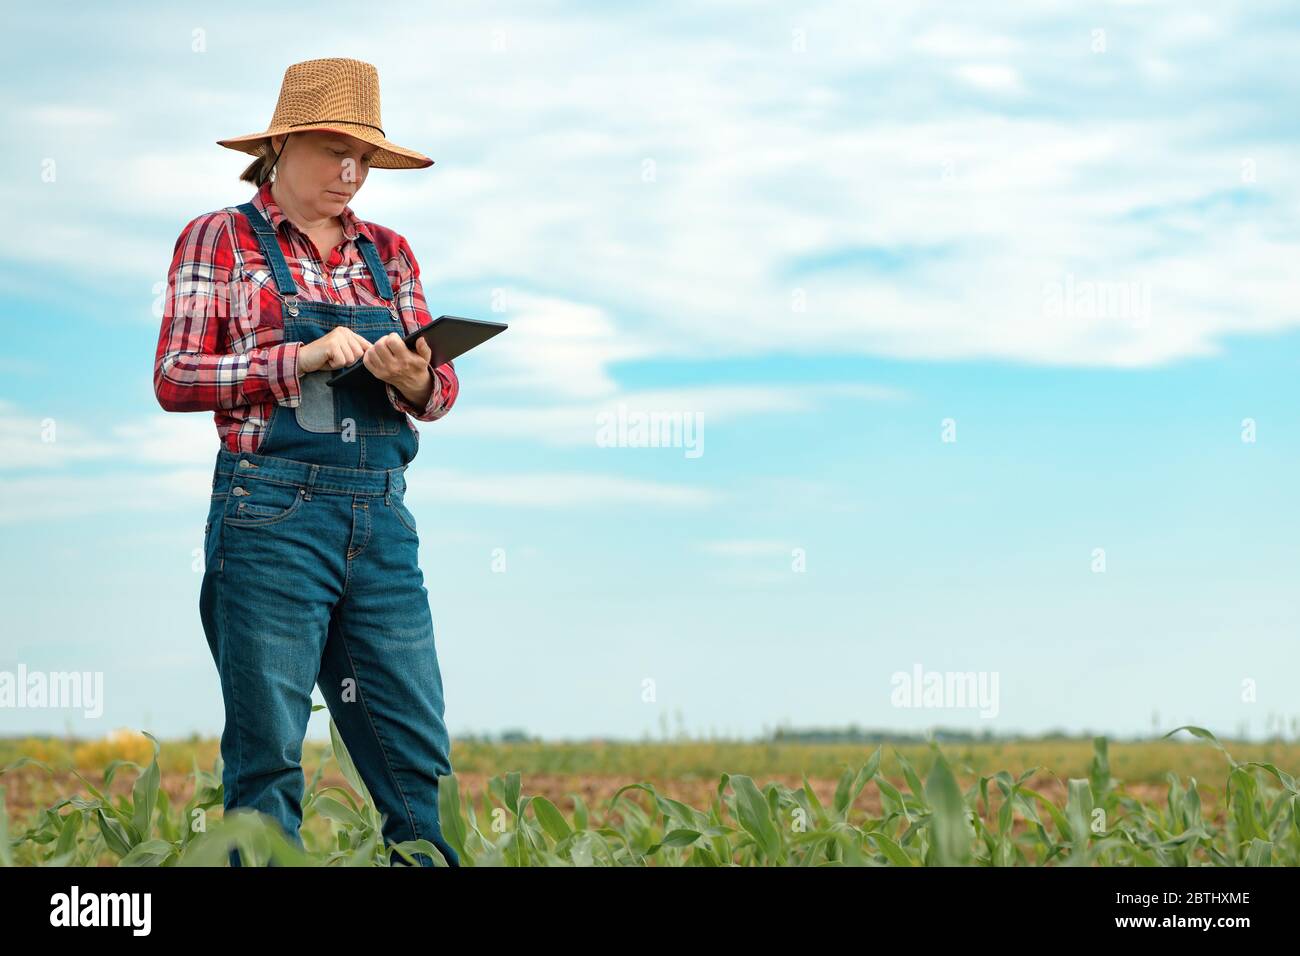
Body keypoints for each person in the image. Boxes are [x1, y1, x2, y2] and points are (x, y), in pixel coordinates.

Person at [153, 57, 460, 866]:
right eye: (333, 151)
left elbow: (443, 390)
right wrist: (300, 357)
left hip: (383, 518)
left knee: (417, 764)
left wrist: (417, 378)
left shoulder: (390, 253)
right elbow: (175, 377)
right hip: (271, 518)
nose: (351, 172)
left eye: (364, 157)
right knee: (267, 766)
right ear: (282, 145)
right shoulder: (218, 238)